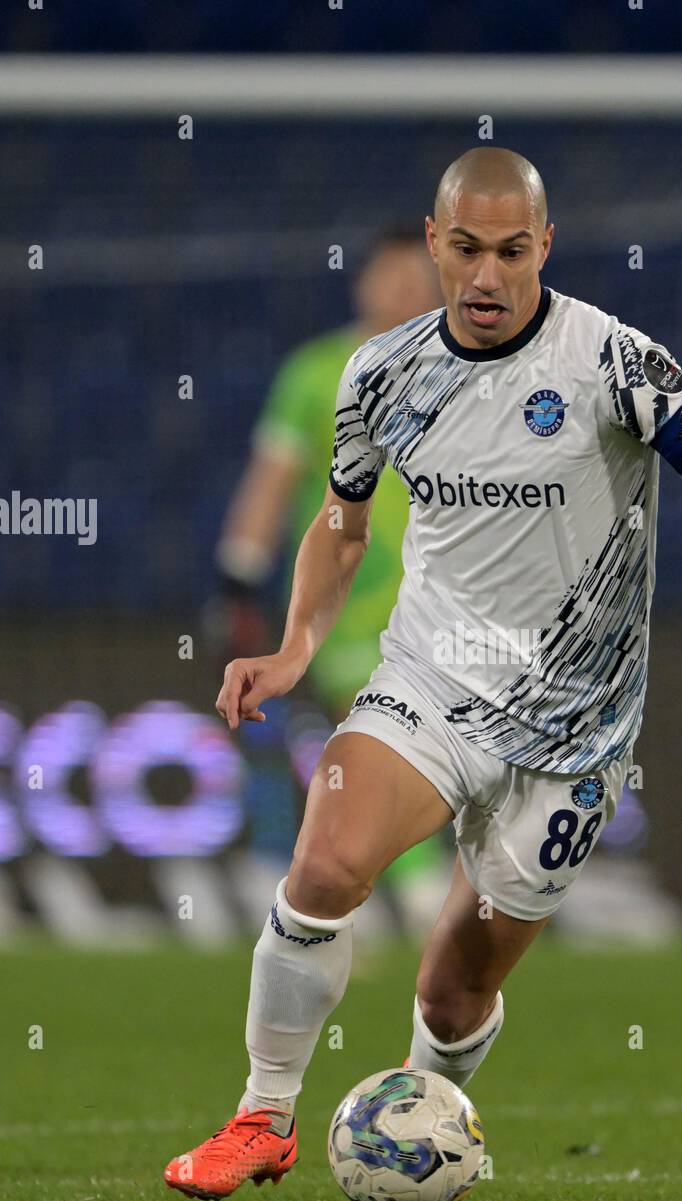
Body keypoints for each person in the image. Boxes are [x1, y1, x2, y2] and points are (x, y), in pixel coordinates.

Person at [165, 147, 682, 1201]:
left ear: (544, 246)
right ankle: (263, 1115)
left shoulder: (614, 362)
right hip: (427, 679)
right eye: (466, 249)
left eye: (513, 251)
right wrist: (293, 646)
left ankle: (417, 1125)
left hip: (576, 731)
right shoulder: (384, 372)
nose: (488, 276)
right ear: (433, 243)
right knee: (323, 867)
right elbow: (340, 520)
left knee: (454, 992)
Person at [209, 230, 444, 919]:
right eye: (392, 275)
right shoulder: (315, 374)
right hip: (352, 597)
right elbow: (271, 484)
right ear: (361, 284)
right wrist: (239, 578)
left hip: (454, 598)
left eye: (418, 277)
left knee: (441, 748)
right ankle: (404, 892)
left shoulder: (467, 370)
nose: (406, 290)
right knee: (377, 732)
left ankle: (359, 887)